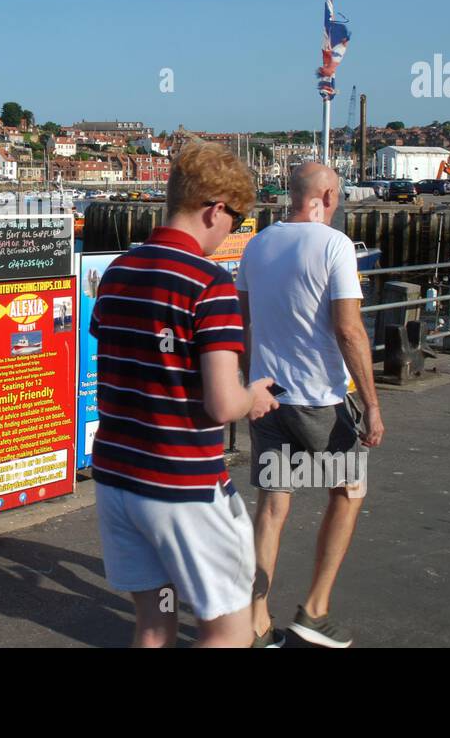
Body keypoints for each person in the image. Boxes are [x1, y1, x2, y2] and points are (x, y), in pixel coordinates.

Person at [91, 140, 279, 648]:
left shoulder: (117, 273)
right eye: (236, 221)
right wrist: (254, 396)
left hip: (116, 477)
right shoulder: (208, 284)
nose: (232, 232)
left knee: (153, 624)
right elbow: (222, 404)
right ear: (215, 209)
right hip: (182, 483)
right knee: (229, 629)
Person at [236, 161, 384, 648]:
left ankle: (257, 621)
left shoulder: (258, 244)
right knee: (348, 492)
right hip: (321, 400)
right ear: (322, 194)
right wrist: (373, 405)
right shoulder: (335, 244)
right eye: (337, 192)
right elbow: (348, 329)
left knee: (274, 506)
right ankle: (315, 611)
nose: (338, 201)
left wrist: (250, 380)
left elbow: (244, 321)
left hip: (268, 397)